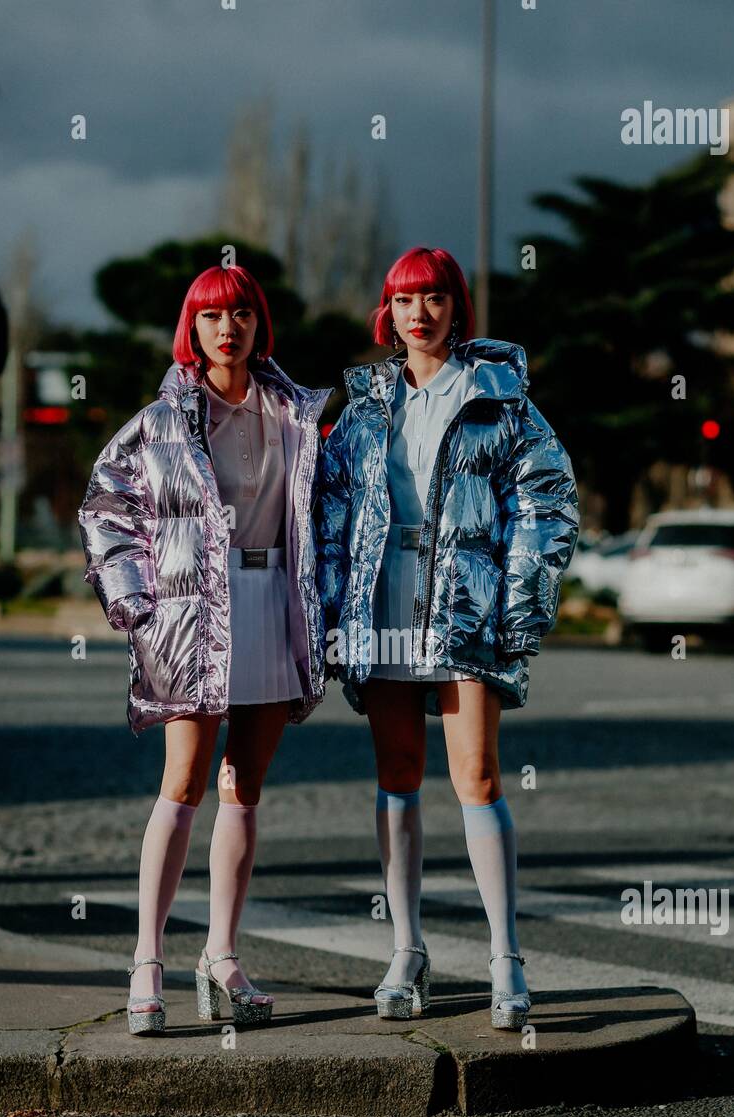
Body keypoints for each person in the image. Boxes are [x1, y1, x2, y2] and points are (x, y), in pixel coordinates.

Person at [315, 246, 578, 1029]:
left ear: (457, 306)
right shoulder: (363, 404)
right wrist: (333, 610)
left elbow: (550, 498)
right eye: (403, 300)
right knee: (398, 772)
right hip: (386, 600)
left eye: (432, 298)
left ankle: (505, 960)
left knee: (481, 776)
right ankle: (408, 951)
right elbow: (331, 508)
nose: (418, 313)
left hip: (466, 603)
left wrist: (519, 600)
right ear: (387, 314)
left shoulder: (500, 396)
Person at [78, 265, 331, 1035]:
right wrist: (133, 604)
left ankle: (221, 955)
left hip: (272, 601)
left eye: (243, 314)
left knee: (243, 786)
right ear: (194, 328)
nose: (230, 328)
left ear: (260, 326)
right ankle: (146, 963)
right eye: (214, 316)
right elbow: (105, 504)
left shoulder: (294, 412)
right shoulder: (163, 419)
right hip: (192, 616)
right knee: (183, 782)